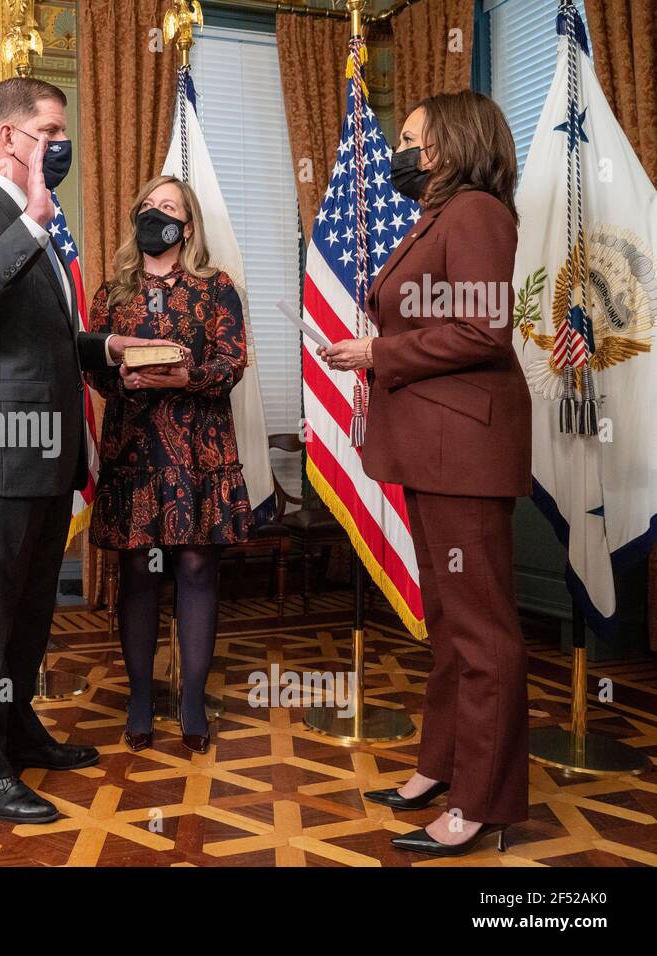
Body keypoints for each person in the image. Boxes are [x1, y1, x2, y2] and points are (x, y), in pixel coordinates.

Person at [0, 76, 175, 823]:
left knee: (30, 611)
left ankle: (15, 724)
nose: (63, 146)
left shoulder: (25, 224)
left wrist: (107, 346)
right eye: (52, 131)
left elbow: (44, 339)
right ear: (9, 139)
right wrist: (33, 225)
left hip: (45, 452)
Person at [318, 90, 530, 857]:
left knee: (481, 635)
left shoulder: (475, 210)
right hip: (436, 448)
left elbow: (484, 326)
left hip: (464, 451)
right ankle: (440, 768)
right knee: (448, 624)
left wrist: (381, 353)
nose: (401, 153)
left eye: (411, 140)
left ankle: (484, 800)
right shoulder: (437, 216)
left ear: (449, 144)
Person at [86, 175, 251, 756]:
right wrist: (121, 376)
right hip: (136, 449)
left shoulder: (216, 289)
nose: (156, 215)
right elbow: (93, 365)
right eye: (148, 207)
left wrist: (190, 376)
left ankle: (193, 701)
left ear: (188, 225)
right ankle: (138, 699)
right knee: (139, 573)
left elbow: (233, 362)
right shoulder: (112, 293)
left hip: (199, 450)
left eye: (169, 208)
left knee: (198, 569)